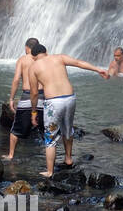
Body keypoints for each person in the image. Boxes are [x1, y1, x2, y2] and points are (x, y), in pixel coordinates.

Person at [28, 42, 109, 178]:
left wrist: (34, 111)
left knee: (50, 138)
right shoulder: (59, 57)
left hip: (54, 102)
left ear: (34, 56)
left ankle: (49, 171)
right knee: (68, 130)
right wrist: (98, 69)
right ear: (46, 52)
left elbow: (34, 93)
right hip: (70, 98)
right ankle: (68, 159)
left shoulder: (34, 67)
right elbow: (79, 63)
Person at [4, 36, 43, 161]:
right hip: (43, 96)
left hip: (27, 96)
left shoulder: (22, 60)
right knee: (47, 129)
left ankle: (11, 155)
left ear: (27, 47)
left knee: (15, 129)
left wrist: (11, 98)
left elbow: (16, 80)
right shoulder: (45, 60)